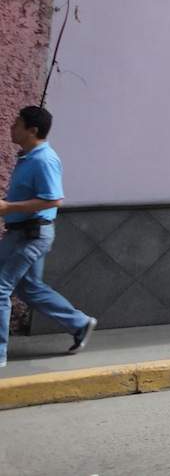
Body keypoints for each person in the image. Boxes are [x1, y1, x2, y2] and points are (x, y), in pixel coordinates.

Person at [0, 106, 97, 368]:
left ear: (32, 130)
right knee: (29, 288)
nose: (12, 127)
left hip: (31, 234)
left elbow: (53, 199)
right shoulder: (28, 157)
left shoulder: (44, 159)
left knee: (0, 287)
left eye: (17, 124)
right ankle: (79, 323)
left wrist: (9, 208)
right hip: (23, 232)